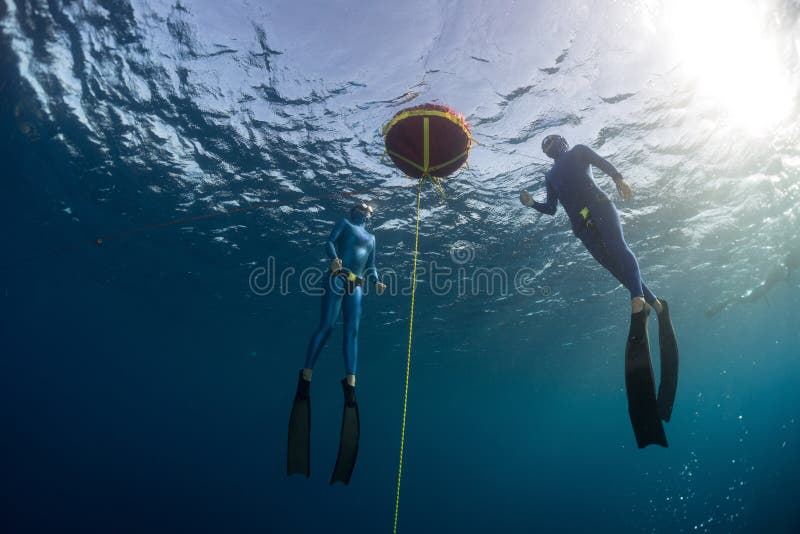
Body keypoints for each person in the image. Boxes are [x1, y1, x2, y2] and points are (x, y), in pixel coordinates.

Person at [520, 134, 678, 448]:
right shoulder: (549, 175)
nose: (550, 144)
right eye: (546, 143)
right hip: (581, 226)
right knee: (613, 266)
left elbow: (602, 164)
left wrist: (619, 179)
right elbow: (552, 209)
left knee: (620, 250)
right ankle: (655, 304)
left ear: (562, 143)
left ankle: (638, 303)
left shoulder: (578, 151)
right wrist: (532, 204)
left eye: (553, 139)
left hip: (600, 206)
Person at [287, 202, 386, 485]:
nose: (361, 207)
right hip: (336, 277)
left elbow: (373, 265)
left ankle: (351, 383)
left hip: (356, 284)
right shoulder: (345, 223)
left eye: (365, 206)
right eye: (359, 205)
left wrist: (376, 280)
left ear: (370, 214)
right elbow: (329, 242)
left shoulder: (373, 238)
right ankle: (307, 375)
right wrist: (333, 259)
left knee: (351, 333)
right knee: (327, 326)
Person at [706, 247, 800, 318]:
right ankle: (720, 305)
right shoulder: (782, 269)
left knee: (743, 299)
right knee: (744, 299)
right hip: (760, 291)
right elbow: (785, 279)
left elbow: (776, 277)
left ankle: (720, 306)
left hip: (760, 289)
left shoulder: (780, 266)